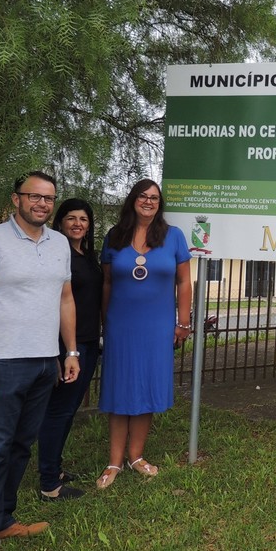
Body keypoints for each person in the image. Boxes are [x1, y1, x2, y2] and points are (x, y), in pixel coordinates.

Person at [0, 171, 79, 551]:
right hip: (2, 363)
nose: (43, 204)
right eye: (35, 196)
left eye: (49, 198)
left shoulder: (60, 243)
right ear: (17, 199)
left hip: (45, 361)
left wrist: (71, 351)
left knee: (19, 446)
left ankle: (4, 519)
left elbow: (65, 299)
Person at [95, 179, 192, 489]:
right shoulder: (115, 237)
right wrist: (104, 321)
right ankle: (114, 461)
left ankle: (136, 456)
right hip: (121, 324)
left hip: (157, 327)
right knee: (119, 388)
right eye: (143, 196)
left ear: (159, 204)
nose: (149, 201)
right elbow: (107, 282)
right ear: (133, 200)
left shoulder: (173, 236)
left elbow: (185, 283)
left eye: (154, 197)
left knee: (146, 387)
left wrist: (183, 323)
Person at [37, 198, 103, 501]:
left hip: (89, 342)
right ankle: (49, 483)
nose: (78, 224)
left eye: (84, 219)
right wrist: (67, 351)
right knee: (58, 411)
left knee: (68, 410)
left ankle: (56, 468)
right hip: (68, 345)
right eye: (71, 218)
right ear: (60, 221)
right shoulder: (55, 253)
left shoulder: (87, 256)